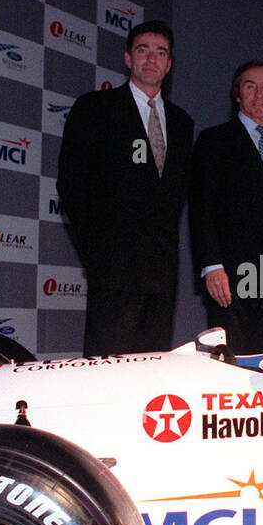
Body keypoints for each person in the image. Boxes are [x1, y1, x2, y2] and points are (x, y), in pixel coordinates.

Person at [57, 21, 194, 356]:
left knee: (151, 374)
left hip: (161, 273)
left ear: (169, 64)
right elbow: (71, 185)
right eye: (142, 50)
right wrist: (99, 253)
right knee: (107, 369)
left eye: (160, 52)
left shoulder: (182, 122)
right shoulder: (95, 108)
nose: (151, 59)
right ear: (128, 59)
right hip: (113, 268)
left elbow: (171, 197)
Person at [189, 61, 263, 354]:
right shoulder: (214, 140)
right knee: (230, 364)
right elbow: (201, 209)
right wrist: (212, 266)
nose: (258, 94)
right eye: (250, 86)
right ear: (237, 95)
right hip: (230, 276)